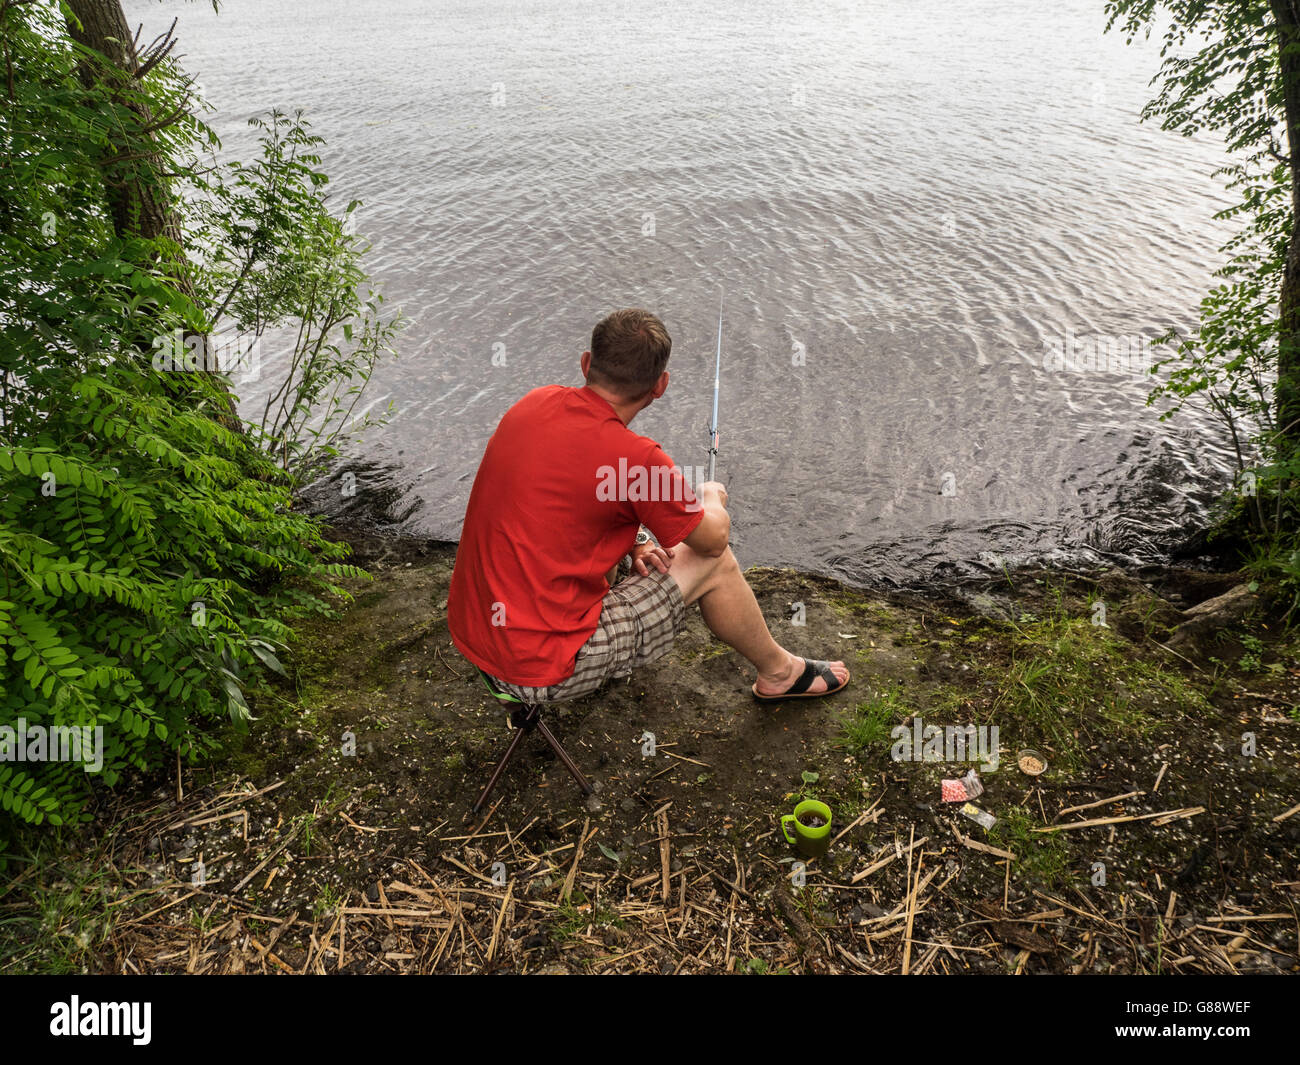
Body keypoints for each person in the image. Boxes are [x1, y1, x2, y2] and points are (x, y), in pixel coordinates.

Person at [446, 307, 850, 705]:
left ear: (586, 363)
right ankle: (781, 673)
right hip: (537, 669)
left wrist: (638, 538)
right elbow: (712, 540)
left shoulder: (534, 404)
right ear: (660, 386)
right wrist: (711, 497)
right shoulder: (637, 461)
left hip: (474, 631)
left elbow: (570, 502)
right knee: (716, 562)